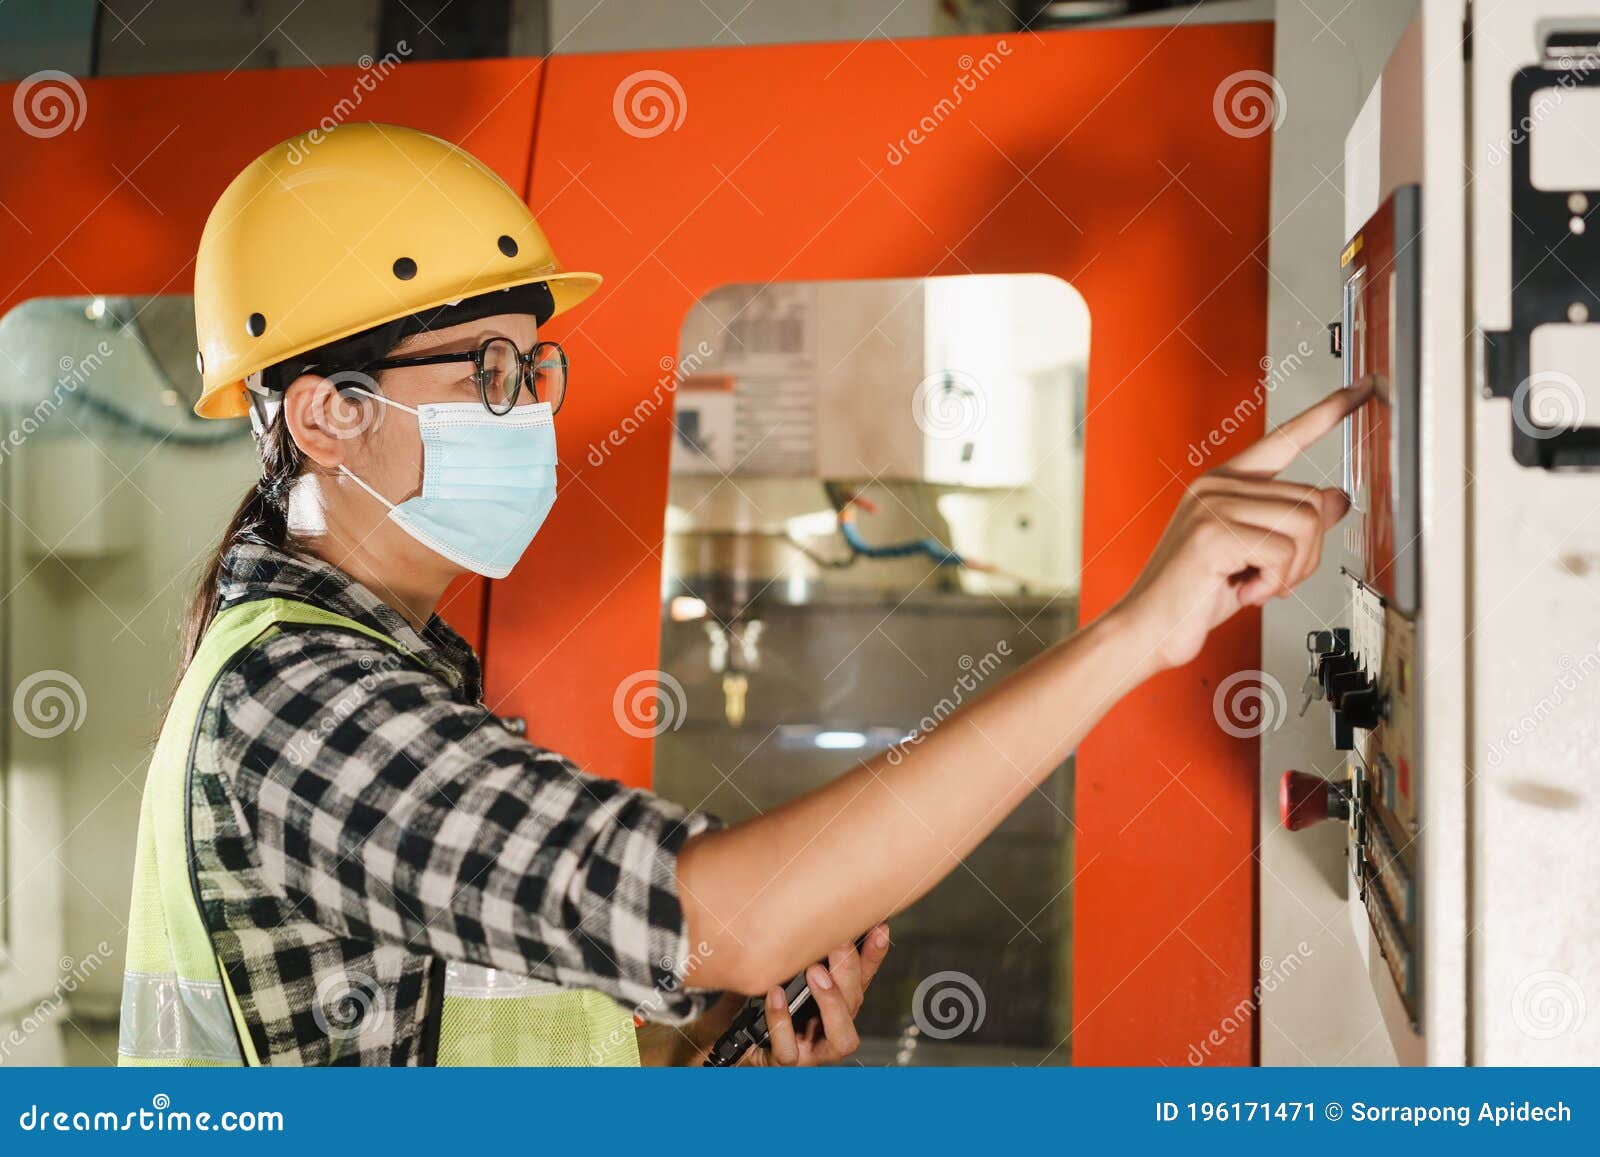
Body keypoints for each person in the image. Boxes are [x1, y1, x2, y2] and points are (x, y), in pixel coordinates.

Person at [119, 122, 1367, 1068]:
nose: (532, 409)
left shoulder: (388, 673)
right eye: (486, 372)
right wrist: (1142, 630)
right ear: (329, 415)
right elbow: (731, 918)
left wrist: (733, 1058)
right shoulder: (296, 702)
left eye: (537, 365)